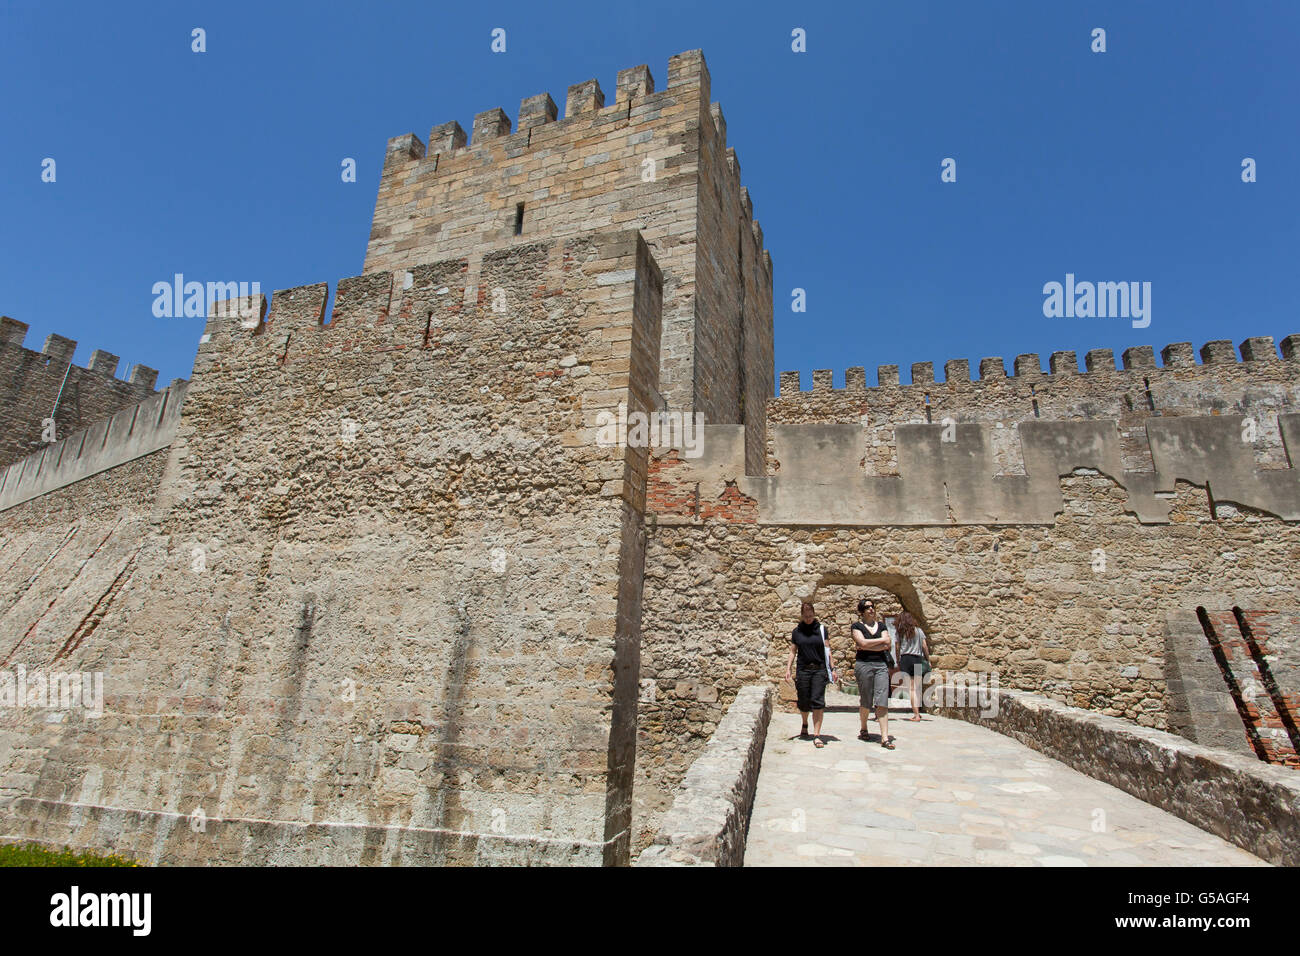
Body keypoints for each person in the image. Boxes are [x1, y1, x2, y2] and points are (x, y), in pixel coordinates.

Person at [785, 601, 834, 748]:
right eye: (806, 616)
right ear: (801, 616)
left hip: (819, 669)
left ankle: (817, 735)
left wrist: (833, 668)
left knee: (818, 701)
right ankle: (805, 723)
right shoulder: (797, 632)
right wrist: (788, 669)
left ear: (814, 614)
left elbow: (827, 649)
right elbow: (793, 651)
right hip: (803, 670)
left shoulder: (821, 630)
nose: (808, 619)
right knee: (804, 701)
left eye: (810, 616)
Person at [850, 598, 895, 749]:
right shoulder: (856, 626)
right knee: (866, 700)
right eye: (867, 607)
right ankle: (864, 727)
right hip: (864, 665)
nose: (871, 609)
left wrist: (868, 645)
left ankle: (884, 737)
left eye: (872, 607)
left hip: (881, 665)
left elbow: (888, 643)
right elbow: (861, 643)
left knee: (882, 700)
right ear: (862, 611)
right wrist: (879, 643)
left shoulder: (881, 625)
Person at [894, 611, 931, 721]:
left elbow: (897, 647)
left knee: (911, 689)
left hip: (906, 659)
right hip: (917, 658)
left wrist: (898, 660)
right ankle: (918, 711)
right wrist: (928, 659)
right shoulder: (919, 631)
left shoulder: (900, 632)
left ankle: (916, 714)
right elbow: (925, 646)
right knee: (917, 688)